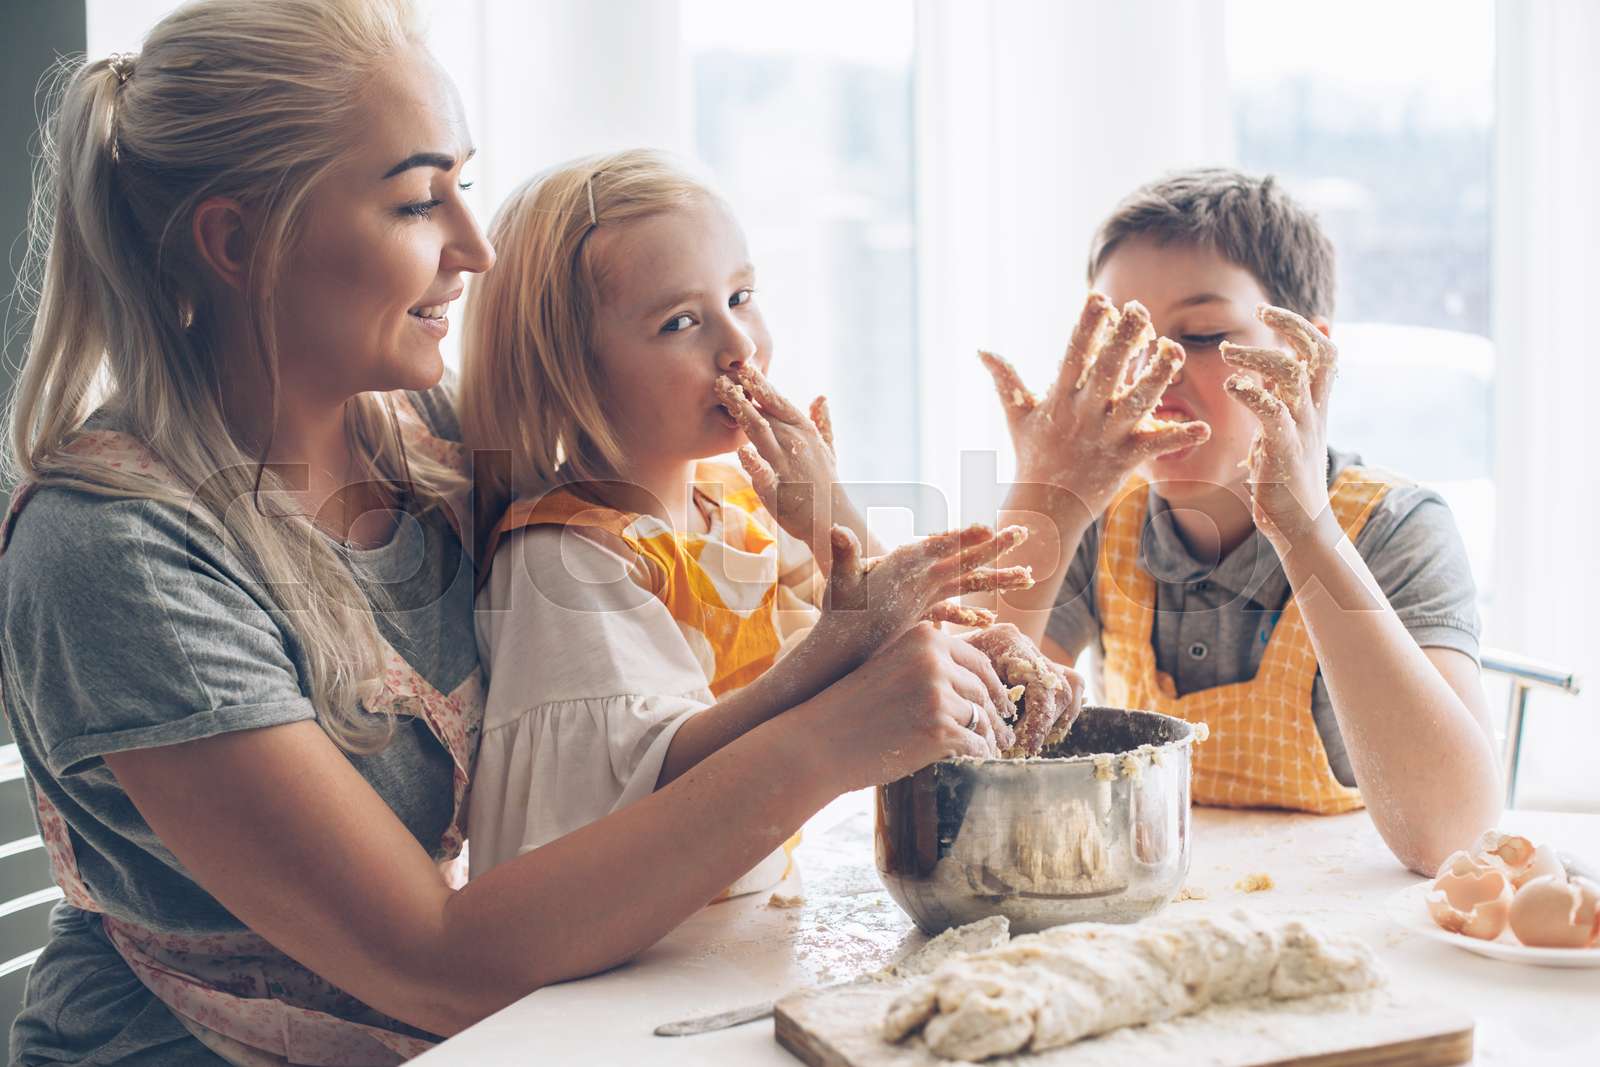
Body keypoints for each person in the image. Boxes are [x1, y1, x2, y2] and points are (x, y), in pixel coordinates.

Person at [0, 4, 1037, 1063]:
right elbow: (437, 962)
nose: (477, 247)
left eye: (465, 184)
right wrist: (832, 735)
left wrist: (877, 573)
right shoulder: (116, 556)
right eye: (415, 202)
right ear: (235, 240)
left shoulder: (434, 442)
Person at [459, 149, 1079, 881]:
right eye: (680, 321)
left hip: (736, 924)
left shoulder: (741, 508)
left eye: (742, 295)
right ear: (567, 370)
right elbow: (640, 785)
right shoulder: (563, 555)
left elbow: (889, 633)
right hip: (625, 959)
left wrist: (829, 520)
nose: (739, 346)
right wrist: (841, 639)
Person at [980, 168, 1500, 875]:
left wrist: (1305, 527)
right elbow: (967, 751)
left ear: (1306, 357)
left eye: (1200, 334)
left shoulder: (1396, 529)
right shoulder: (1102, 520)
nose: (1153, 375)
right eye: (1122, 341)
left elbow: (1451, 835)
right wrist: (1045, 499)